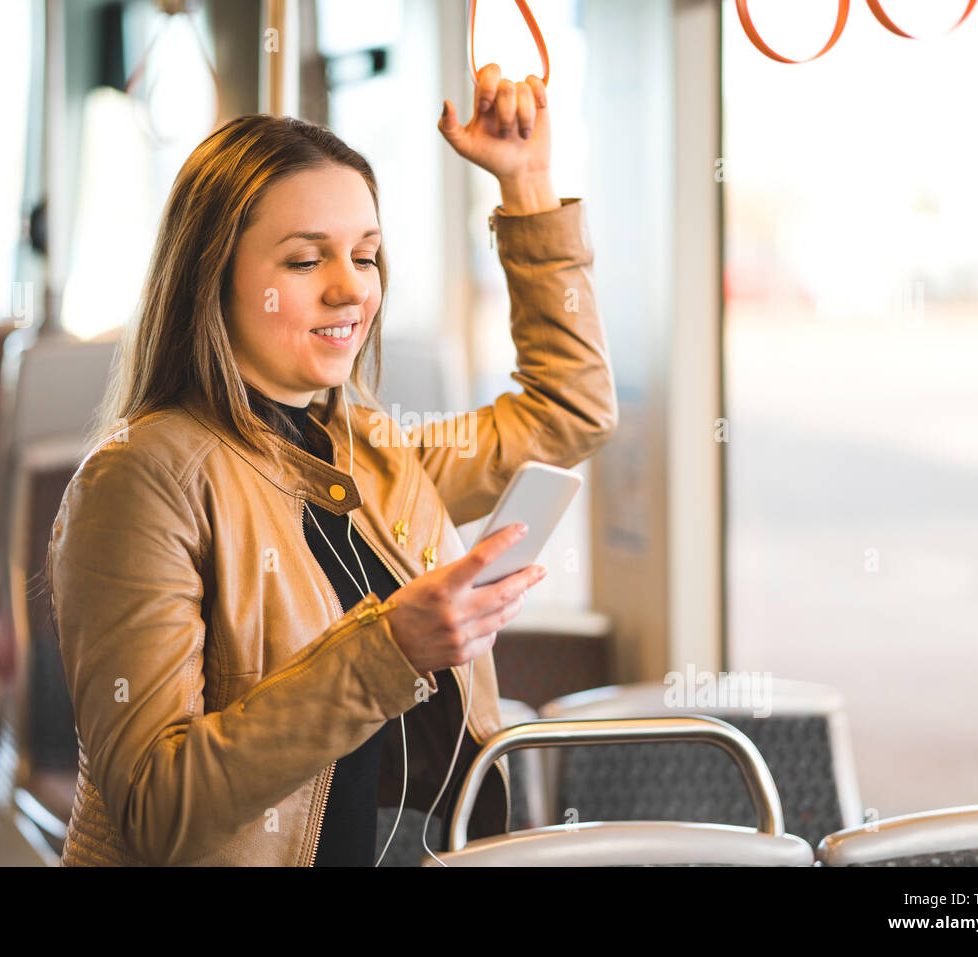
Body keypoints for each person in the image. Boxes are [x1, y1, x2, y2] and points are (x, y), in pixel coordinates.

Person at [46, 63, 617, 866]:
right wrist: (390, 651)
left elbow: (569, 411)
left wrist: (526, 186)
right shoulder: (141, 481)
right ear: (215, 277)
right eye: (306, 261)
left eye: (367, 254)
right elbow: (157, 807)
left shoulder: (374, 451)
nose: (350, 290)